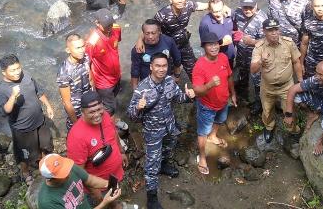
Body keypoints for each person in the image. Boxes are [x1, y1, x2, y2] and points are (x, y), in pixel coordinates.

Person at [127, 53, 196, 209]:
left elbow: (178, 98)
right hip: (153, 132)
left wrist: (189, 96)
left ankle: (164, 166)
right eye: (157, 66)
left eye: (164, 66)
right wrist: (138, 107)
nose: (161, 69)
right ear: (151, 67)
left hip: (169, 126)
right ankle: (151, 197)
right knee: (152, 164)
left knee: (169, 148)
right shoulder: (142, 89)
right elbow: (131, 115)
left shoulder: (170, 81)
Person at [0, 54, 55, 184]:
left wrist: (48, 106)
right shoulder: (2, 90)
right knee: (25, 154)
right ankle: (25, 171)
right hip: (23, 129)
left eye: (18, 68)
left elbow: (38, 92)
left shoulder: (27, 76)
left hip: (39, 121)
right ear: (4, 72)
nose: (17, 73)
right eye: (13, 70)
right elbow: (4, 111)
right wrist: (13, 96)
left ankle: (44, 166)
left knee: (45, 145)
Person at [65, 91, 129, 209]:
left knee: (114, 199)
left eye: (99, 109)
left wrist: (121, 152)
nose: (97, 114)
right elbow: (79, 171)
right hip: (98, 187)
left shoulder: (105, 116)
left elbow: (113, 134)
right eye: (92, 112)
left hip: (114, 177)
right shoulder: (76, 136)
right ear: (83, 112)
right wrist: (97, 195)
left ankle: (116, 206)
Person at [136, 0, 215, 78]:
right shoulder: (162, 14)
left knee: (194, 71)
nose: (180, 1)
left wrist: (223, 7)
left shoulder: (188, 6)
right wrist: (140, 39)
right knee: (170, 75)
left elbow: (207, 5)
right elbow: (150, 29)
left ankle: (197, 90)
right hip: (169, 48)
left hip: (184, 44)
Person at [251, 17, 303, 143]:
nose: (274, 32)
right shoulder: (259, 48)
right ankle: (269, 126)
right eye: (270, 30)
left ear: (279, 30)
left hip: (287, 87)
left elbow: (296, 62)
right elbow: (253, 70)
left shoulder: (288, 43)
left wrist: (301, 81)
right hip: (267, 87)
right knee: (267, 110)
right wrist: (261, 61)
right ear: (264, 31)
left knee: (289, 110)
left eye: (276, 29)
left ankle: (293, 129)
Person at [192, 32, 237, 174]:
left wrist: (233, 94)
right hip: (207, 106)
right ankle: (203, 157)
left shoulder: (223, 58)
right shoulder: (199, 66)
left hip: (223, 102)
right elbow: (198, 91)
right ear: (204, 47)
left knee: (220, 120)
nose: (214, 47)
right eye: (210, 44)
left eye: (216, 44)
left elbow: (229, 76)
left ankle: (213, 136)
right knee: (202, 132)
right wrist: (209, 85)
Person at [37, 153, 121, 209]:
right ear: (52, 179)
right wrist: (104, 203)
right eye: (64, 173)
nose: (69, 173)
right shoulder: (47, 202)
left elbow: (90, 180)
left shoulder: (69, 167)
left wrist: (109, 184)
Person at [85, 12, 125, 122]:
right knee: (110, 108)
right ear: (97, 23)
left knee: (113, 97)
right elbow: (85, 62)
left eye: (111, 24)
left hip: (116, 75)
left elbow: (116, 43)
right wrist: (90, 82)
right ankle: (107, 126)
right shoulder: (92, 41)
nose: (110, 28)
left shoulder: (116, 28)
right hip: (103, 82)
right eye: (107, 25)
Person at [232, 0, 266, 112]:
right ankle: (242, 95)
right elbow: (231, 23)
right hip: (241, 52)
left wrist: (252, 42)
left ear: (256, 5)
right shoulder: (236, 13)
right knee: (242, 73)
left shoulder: (262, 19)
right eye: (245, 7)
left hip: (256, 55)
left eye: (250, 7)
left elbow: (267, 42)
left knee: (257, 79)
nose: (247, 10)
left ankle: (259, 103)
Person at [57, 33, 95, 132]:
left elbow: (90, 78)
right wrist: (76, 123)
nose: (82, 50)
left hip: (89, 102)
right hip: (76, 109)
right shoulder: (64, 72)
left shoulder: (86, 58)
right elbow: (66, 102)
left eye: (83, 46)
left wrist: (95, 97)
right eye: (77, 48)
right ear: (68, 50)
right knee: (76, 133)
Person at [129, 20, 181, 89]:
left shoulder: (168, 41)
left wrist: (176, 75)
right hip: (148, 85)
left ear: (159, 32)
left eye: (153, 33)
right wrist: (135, 89)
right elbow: (135, 71)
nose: (150, 36)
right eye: (147, 33)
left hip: (166, 81)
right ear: (143, 33)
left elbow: (177, 59)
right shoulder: (138, 49)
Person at [198, 0, 236, 64]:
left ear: (224, 7)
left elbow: (235, 27)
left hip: (230, 55)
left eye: (220, 10)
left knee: (230, 71)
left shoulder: (229, 15)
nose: (218, 14)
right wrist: (222, 42)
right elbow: (204, 45)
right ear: (210, 10)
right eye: (215, 12)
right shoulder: (205, 23)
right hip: (216, 59)